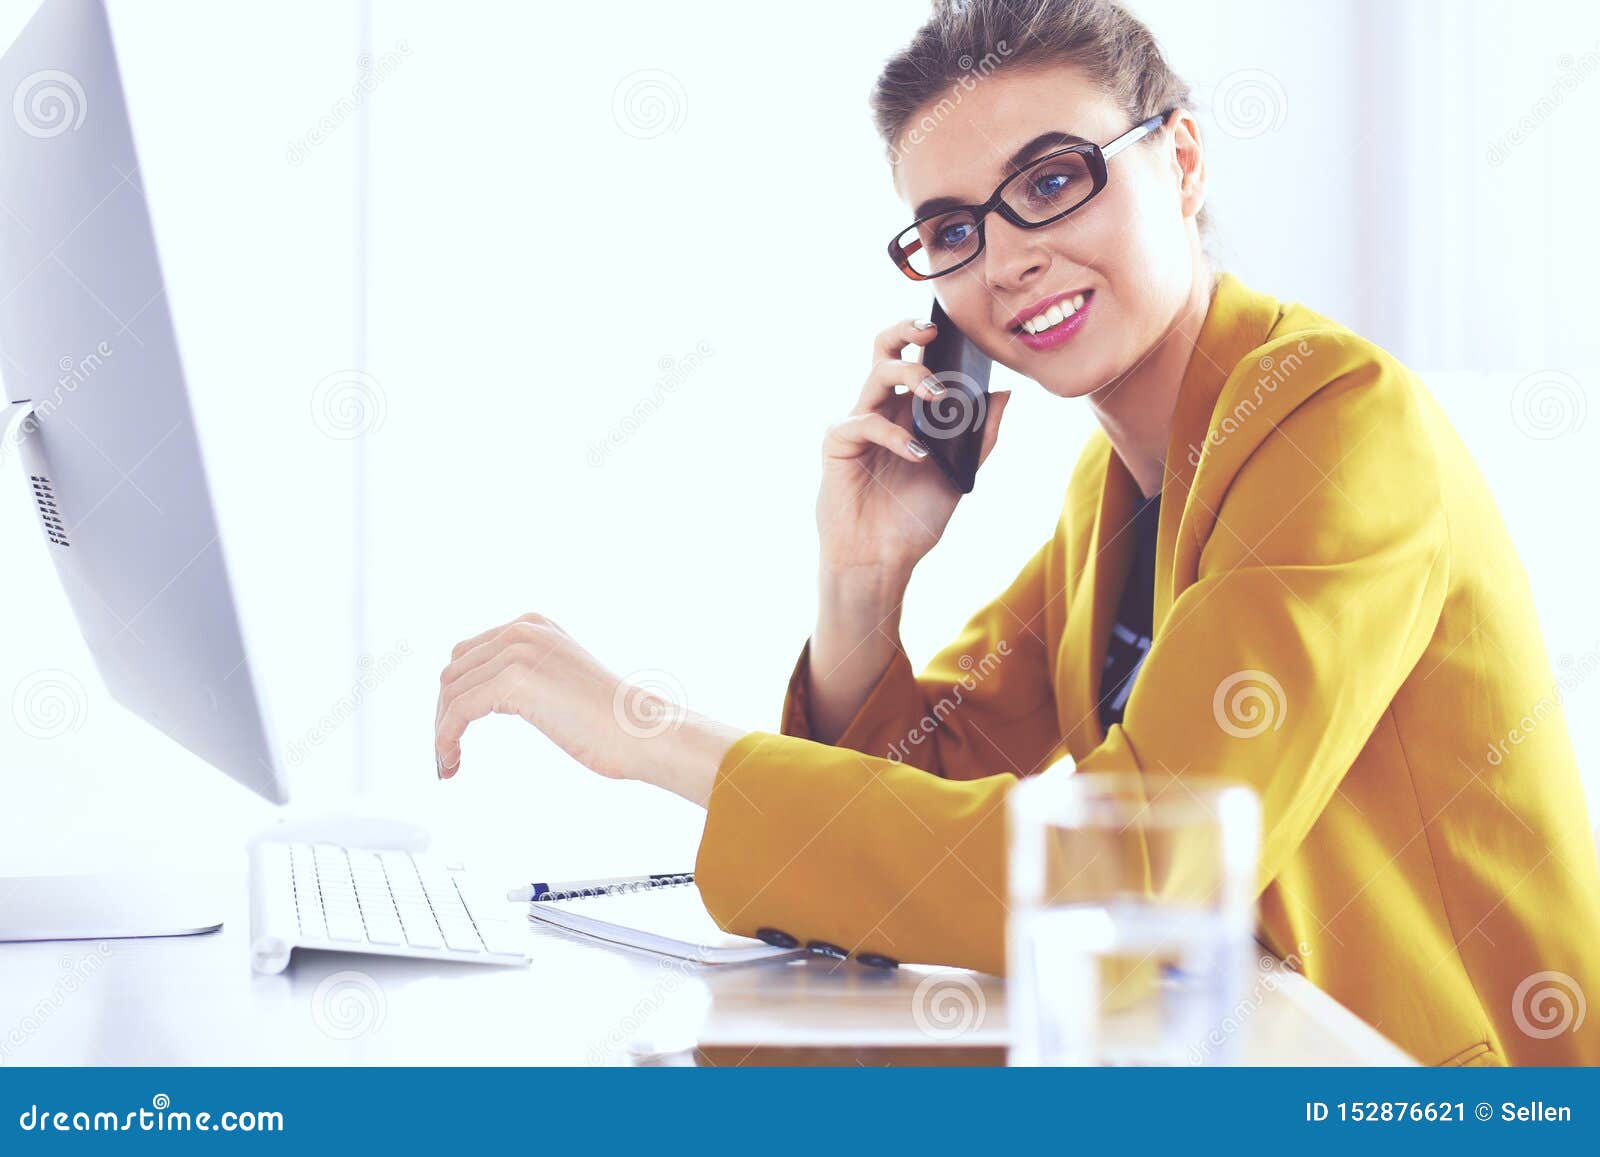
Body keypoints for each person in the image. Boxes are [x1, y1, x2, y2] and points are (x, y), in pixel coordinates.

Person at [434, 0, 1600, 1066]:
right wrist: (860, 581)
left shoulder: (1335, 426)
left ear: (1181, 160)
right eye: (950, 229)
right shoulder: (1118, 486)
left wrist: (644, 731)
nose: (1005, 259)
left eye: (1050, 181)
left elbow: (1137, 875)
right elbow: (915, 799)